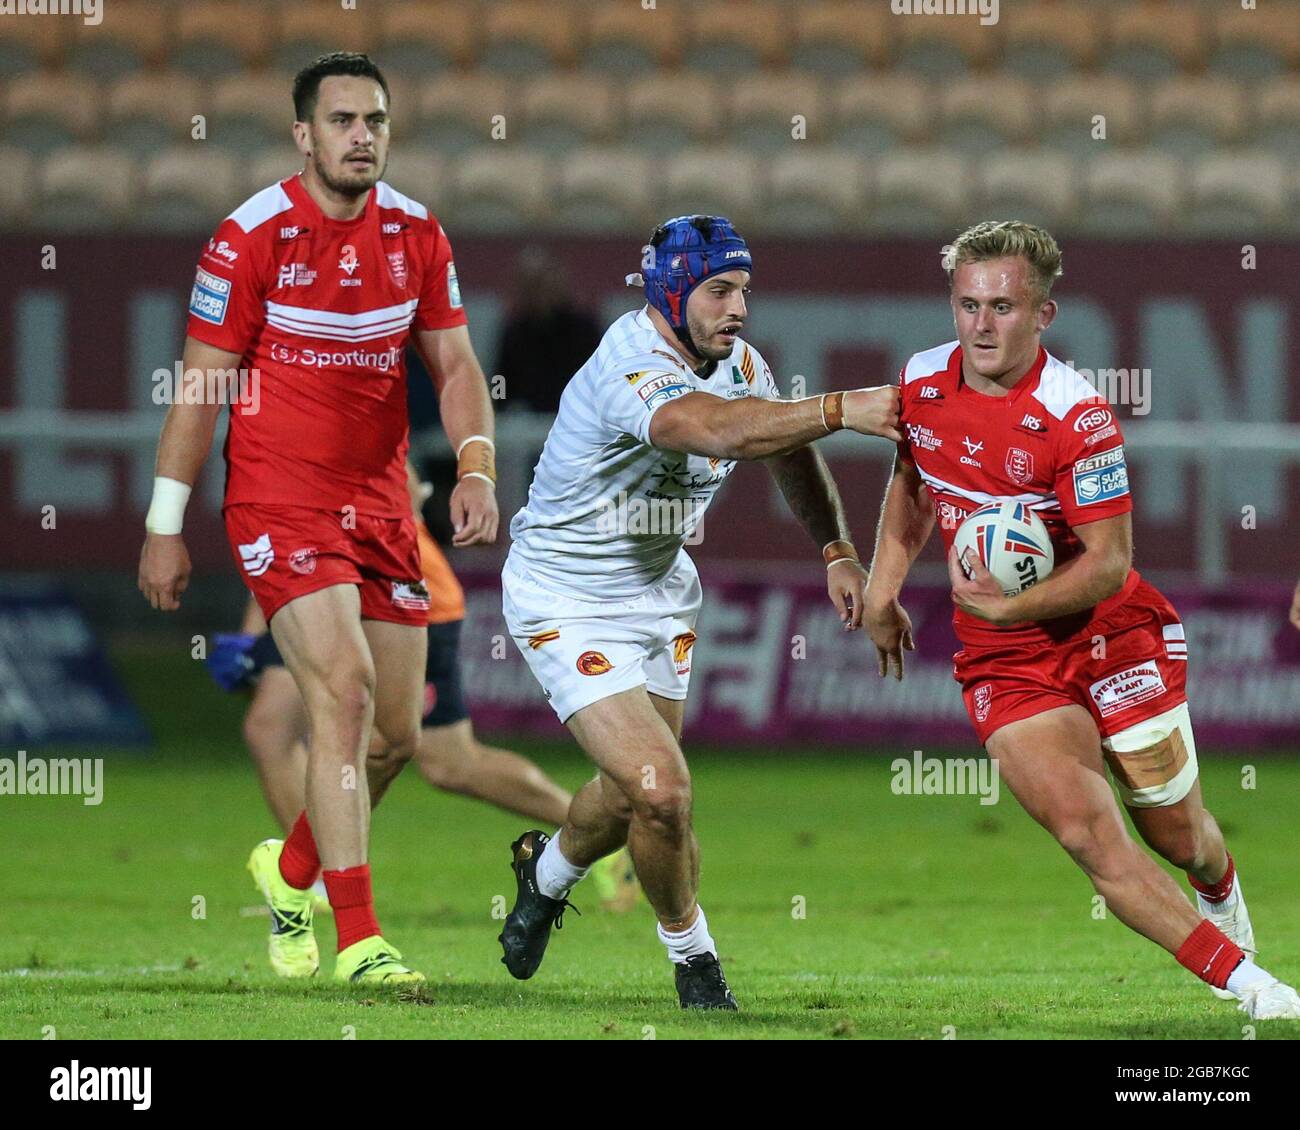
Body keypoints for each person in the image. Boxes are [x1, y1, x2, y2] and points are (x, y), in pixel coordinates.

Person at [863, 219, 1299, 1020]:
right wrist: (883, 588)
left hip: (1110, 633)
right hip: (1006, 661)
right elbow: (914, 481)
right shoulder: (921, 381)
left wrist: (1010, 601)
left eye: (1001, 306)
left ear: (1043, 314)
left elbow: (1107, 562)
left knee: (1178, 834)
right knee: (1086, 834)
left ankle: (1219, 882)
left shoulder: (1077, 414)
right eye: (967, 305)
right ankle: (1256, 988)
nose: (981, 325)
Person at [138, 52, 499, 985]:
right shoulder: (249, 236)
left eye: (374, 120)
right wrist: (164, 522)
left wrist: (475, 467)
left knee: (397, 736)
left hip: (381, 503)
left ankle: (289, 872)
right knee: (337, 695)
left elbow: (456, 369)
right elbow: (202, 386)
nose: (361, 137)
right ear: (304, 135)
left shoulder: (418, 234)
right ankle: (362, 943)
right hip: (279, 498)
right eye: (341, 121)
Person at [497, 215, 902, 1009]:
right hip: (566, 597)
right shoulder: (630, 364)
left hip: (660, 591)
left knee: (629, 796)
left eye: (745, 291)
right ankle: (696, 962)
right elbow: (709, 429)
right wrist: (841, 405)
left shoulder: (737, 360)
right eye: (721, 290)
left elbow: (782, 447)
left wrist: (836, 550)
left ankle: (544, 875)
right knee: (664, 790)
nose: (739, 308)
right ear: (674, 290)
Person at [206, 465, 639, 911]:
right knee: (271, 727)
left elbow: (399, 493)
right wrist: (252, 632)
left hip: (399, 594)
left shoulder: (330, 414)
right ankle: (307, 882)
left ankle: (598, 834)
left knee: (450, 763)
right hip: (325, 589)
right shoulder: (261, 432)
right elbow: (274, 536)